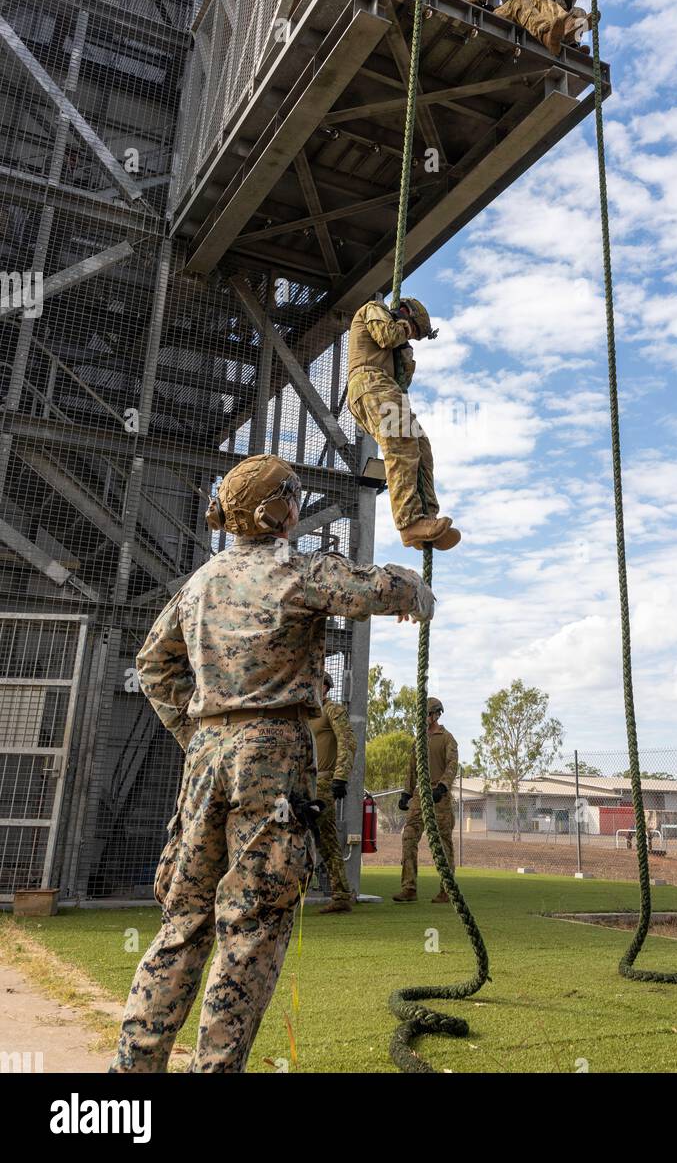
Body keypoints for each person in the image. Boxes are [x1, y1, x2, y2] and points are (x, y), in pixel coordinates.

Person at [110, 453, 433, 1073]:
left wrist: (195, 729)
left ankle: (130, 1075)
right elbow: (375, 589)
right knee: (251, 925)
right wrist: (416, 590)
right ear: (274, 512)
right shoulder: (295, 570)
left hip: (206, 757)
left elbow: (154, 664)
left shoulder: (199, 584)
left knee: (183, 921)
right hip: (274, 753)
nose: (297, 504)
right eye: (293, 495)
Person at [347, 296, 460, 551]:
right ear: (405, 313)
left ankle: (427, 517)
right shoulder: (372, 309)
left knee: (422, 448)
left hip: (387, 389)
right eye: (415, 331)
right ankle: (409, 522)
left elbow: (403, 382)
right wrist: (403, 329)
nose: (412, 337)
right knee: (403, 446)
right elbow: (386, 336)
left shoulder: (401, 339)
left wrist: (405, 355)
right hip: (370, 384)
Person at [393, 697, 458, 904]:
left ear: (436, 714)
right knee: (409, 837)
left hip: (440, 797)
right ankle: (409, 888)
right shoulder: (418, 740)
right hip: (420, 797)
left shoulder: (447, 738)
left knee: (442, 843)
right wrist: (406, 793)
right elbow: (412, 769)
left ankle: (447, 891)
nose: (424, 718)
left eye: (428, 714)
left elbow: (452, 765)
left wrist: (443, 787)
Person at [309, 671, 357, 914]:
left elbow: (348, 741)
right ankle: (340, 894)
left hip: (325, 782)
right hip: (302, 784)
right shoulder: (305, 714)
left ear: (325, 687)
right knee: (316, 838)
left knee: (325, 838)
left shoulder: (332, 710)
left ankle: (340, 895)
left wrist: (340, 777)